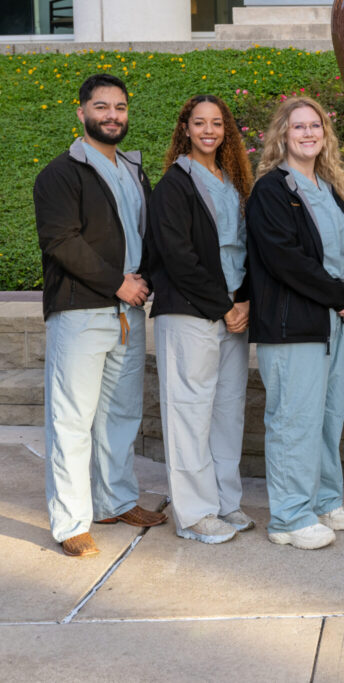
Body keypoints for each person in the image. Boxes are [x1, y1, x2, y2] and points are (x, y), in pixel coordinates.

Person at [33, 73, 167, 558]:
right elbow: (61, 241)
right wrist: (118, 282)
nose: (112, 115)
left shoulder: (133, 169)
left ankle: (115, 500)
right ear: (82, 112)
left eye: (120, 108)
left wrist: (143, 278)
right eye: (102, 107)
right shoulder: (60, 173)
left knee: (121, 413)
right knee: (72, 418)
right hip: (81, 311)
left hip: (128, 310)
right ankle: (71, 521)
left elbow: (144, 234)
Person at [246, 96, 344, 550]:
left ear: (324, 135)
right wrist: (340, 294)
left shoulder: (327, 187)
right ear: (282, 135)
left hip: (334, 324)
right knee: (293, 421)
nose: (307, 133)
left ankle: (322, 500)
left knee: (326, 416)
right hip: (293, 325)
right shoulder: (272, 191)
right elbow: (286, 259)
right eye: (298, 126)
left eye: (314, 126)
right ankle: (289, 517)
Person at [148, 95, 254, 545]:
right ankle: (194, 514)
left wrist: (245, 300)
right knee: (189, 412)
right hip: (191, 312)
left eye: (217, 123)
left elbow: (249, 250)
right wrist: (223, 304)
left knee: (228, 412)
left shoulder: (232, 182)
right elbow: (178, 257)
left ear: (225, 130)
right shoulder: (174, 185)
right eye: (199, 123)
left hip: (233, 312)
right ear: (185, 129)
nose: (208, 130)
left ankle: (225, 502)